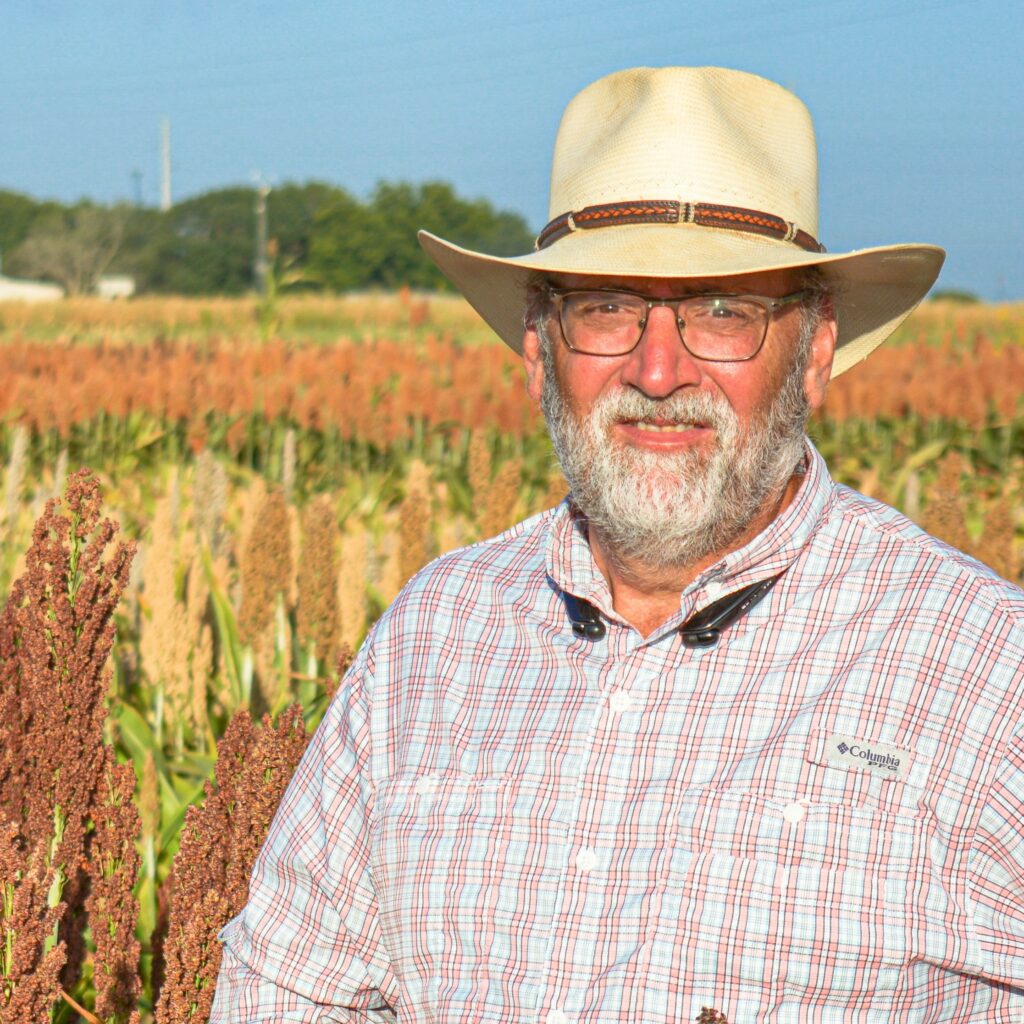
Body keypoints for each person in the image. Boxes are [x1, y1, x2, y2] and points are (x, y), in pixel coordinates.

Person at [210, 67, 1024, 1022]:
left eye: (726, 312)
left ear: (813, 350)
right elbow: (290, 991)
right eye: (607, 307)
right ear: (536, 347)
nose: (658, 368)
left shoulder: (982, 669)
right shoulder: (432, 640)